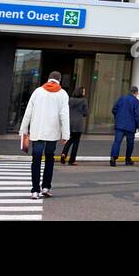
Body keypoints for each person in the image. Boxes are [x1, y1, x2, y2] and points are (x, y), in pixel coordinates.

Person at [19, 71, 70, 200]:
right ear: (59, 80)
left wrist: (23, 130)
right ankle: (46, 187)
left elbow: (28, 112)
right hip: (52, 133)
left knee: (36, 159)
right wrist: (66, 134)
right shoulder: (63, 94)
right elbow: (64, 115)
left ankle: (35, 191)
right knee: (49, 158)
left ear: (48, 79)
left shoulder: (38, 91)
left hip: (37, 132)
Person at [110, 86, 139, 166]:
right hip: (130, 126)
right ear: (136, 93)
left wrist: (117, 118)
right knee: (130, 143)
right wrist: (138, 126)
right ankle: (128, 159)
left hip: (119, 124)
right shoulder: (136, 101)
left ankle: (113, 158)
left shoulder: (121, 99)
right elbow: (137, 115)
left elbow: (114, 109)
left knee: (117, 141)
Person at [60, 87, 89, 165]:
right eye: (83, 92)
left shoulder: (70, 100)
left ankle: (64, 153)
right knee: (76, 142)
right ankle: (72, 160)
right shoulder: (83, 100)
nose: (84, 93)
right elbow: (86, 112)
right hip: (78, 123)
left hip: (70, 122)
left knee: (69, 140)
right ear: (80, 92)